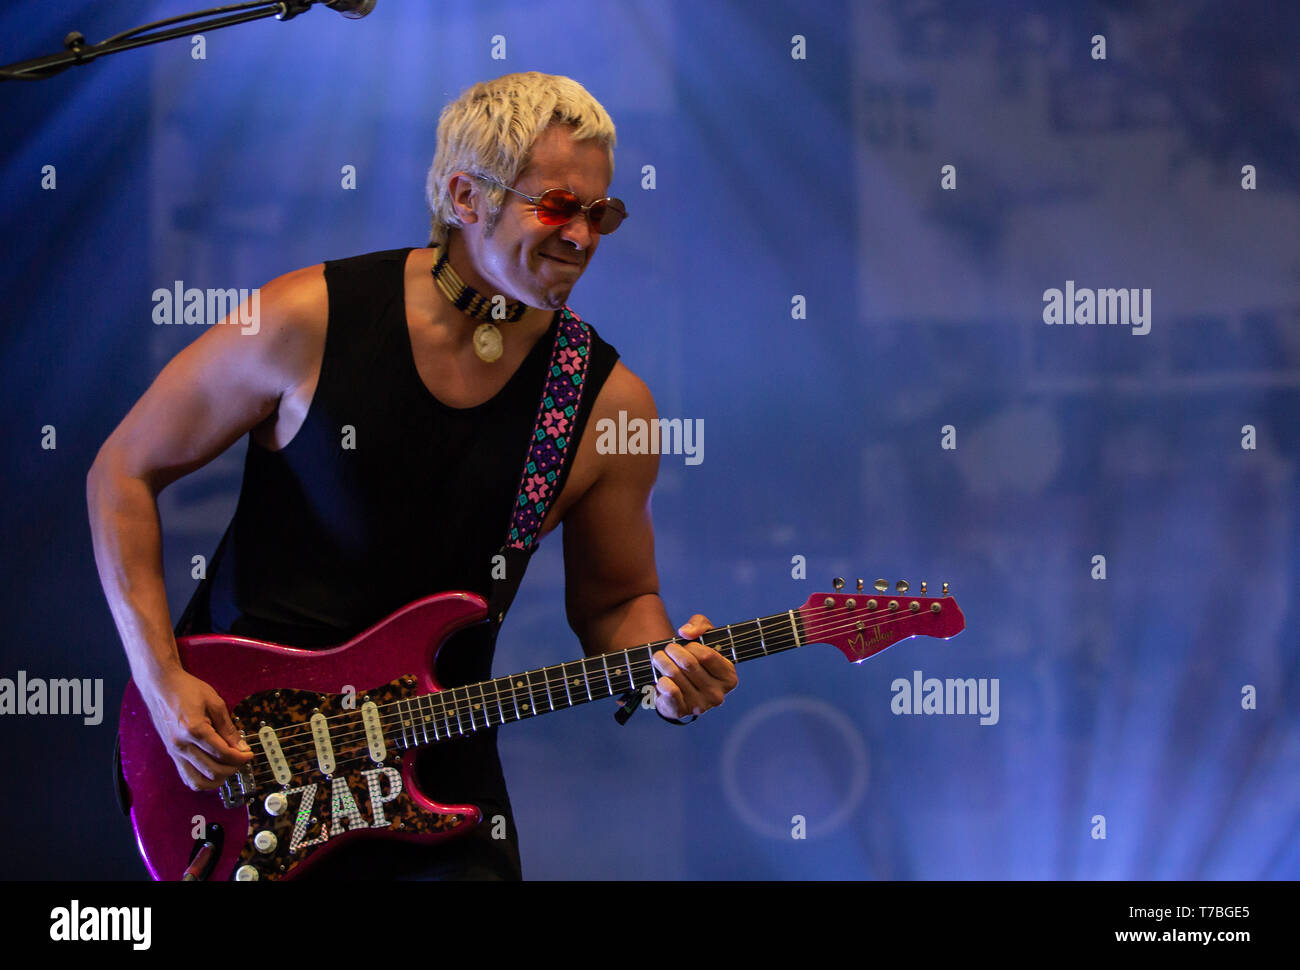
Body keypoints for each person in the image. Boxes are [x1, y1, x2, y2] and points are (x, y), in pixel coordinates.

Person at [87, 71, 738, 880]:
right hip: (247, 763)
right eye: (558, 207)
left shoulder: (607, 403)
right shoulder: (304, 318)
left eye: (600, 213)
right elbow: (122, 471)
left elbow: (616, 601)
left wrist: (665, 672)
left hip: (441, 781)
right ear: (467, 196)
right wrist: (161, 681)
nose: (584, 237)